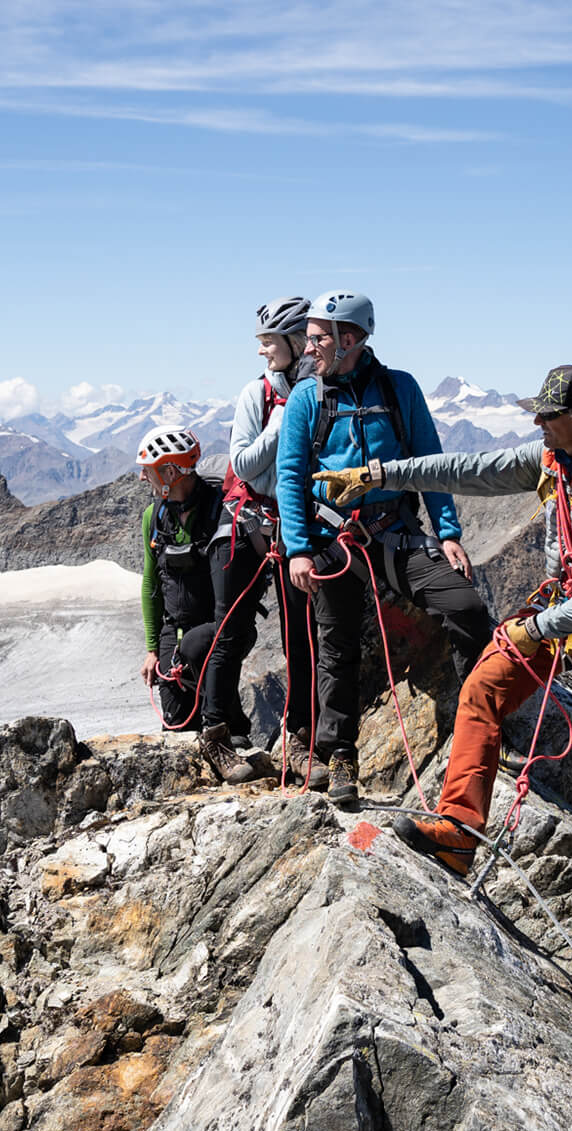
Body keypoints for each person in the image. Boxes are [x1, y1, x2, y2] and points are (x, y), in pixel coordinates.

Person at [313, 364, 572, 925]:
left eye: (547, 415)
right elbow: (469, 470)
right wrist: (381, 474)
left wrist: (535, 629)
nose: (536, 422)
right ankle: (458, 831)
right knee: (483, 689)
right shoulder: (552, 462)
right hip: (561, 611)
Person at [276, 289, 493, 808]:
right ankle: (340, 756)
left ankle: (478, 726)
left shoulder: (399, 390)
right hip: (335, 541)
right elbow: (290, 476)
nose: (309, 349)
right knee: (337, 648)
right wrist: (299, 549)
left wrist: (448, 533)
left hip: (395, 535)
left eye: (318, 338)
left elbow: (430, 463)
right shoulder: (307, 398)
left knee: (465, 607)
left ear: (348, 340)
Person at [136, 427, 267, 784]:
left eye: (148, 469)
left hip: (221, 628)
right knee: (177, 728)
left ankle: (225, 729)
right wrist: (152, 650)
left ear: (171, 472)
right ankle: (230, 726)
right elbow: (151, 585)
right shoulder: (154, 516)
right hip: (172, 631)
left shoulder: (219, 511)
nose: (142, 476)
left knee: (198, 645)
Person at [228, 296, 322, 786]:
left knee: (305, 631)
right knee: (260, 630)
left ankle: (306, 733)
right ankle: (229, 729)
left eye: (268, 342)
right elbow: (244, 466)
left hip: (300, 526)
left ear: (294, 342)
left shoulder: (321, 390)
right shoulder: (257, 395)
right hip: (263, 526)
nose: (263, 351)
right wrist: (282, 423)